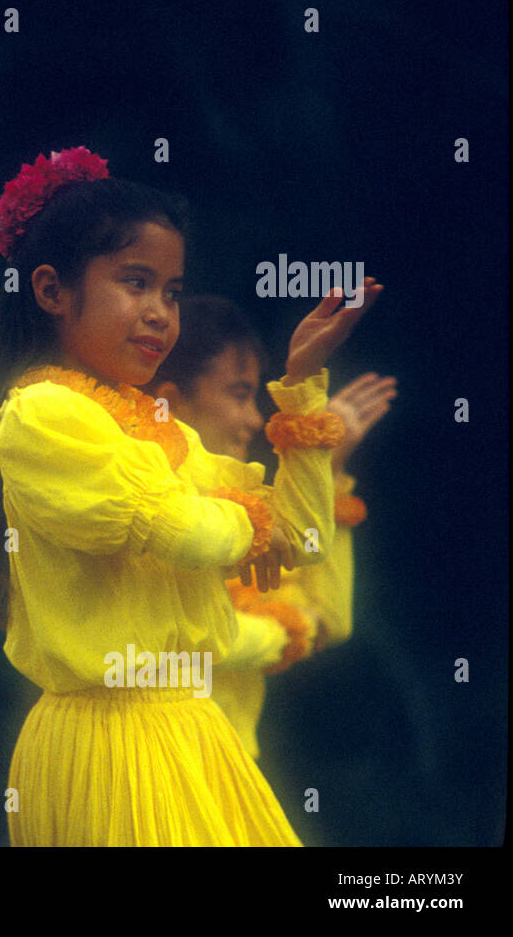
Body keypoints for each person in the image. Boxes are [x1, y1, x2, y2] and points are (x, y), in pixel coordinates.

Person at [0, 146, 378, 845]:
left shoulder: (168, 439)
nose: (160, 311)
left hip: (192, 730)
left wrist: (305, 387)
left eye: (171, 291)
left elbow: (300, 538)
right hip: (109, 739)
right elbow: (174, 526)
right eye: (136, 282)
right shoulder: (40, 415)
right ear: (51, 290)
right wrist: (249, 525)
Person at [150, 293, 394, 757]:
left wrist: (329, 468)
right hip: (159, 764)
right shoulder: (153, 505)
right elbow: (195, 647)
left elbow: (332, 622)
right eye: (239, 394)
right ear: (170, 404)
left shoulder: (241, 509)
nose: (254, 419)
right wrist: (291, 627)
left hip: (227, 763)